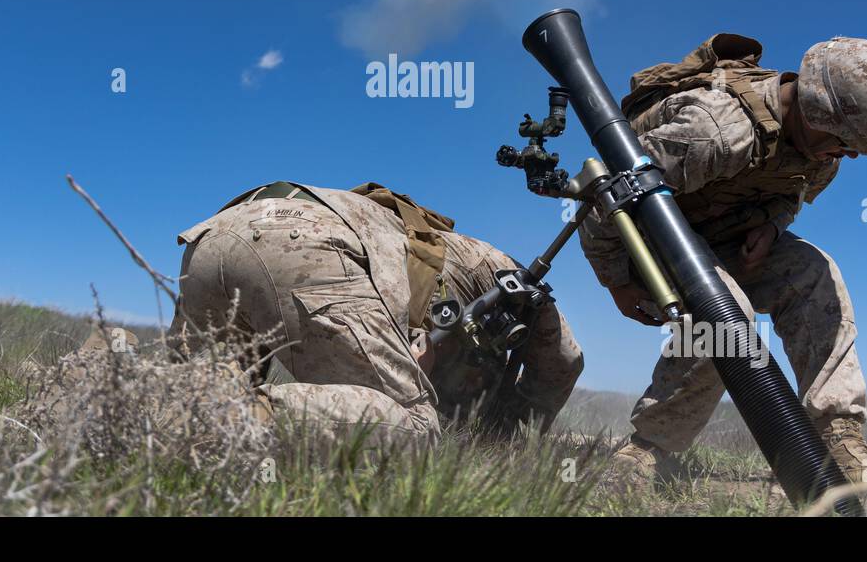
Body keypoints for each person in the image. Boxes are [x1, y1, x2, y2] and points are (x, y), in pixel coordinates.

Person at [582, 34, 867, 495]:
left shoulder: (823, 152)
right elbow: (606, 197)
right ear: (815, 111)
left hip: (729, 243)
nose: (849, 153)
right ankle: (649, 448)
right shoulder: (715, 131)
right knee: (725, 311)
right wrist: (616, 281)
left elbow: (788, 199)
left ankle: (837, 436)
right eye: (844, 140)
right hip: (653, 242)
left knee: (815, 273)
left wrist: (772, 227)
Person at [170, 181, 583, 442]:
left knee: (189, 392)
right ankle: (224, 417)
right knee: (416, 427)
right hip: (305, 244)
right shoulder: (494, 268)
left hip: (213, 236)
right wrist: (507, 435)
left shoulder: (399, 240)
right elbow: (565, 358)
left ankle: (133, 395)